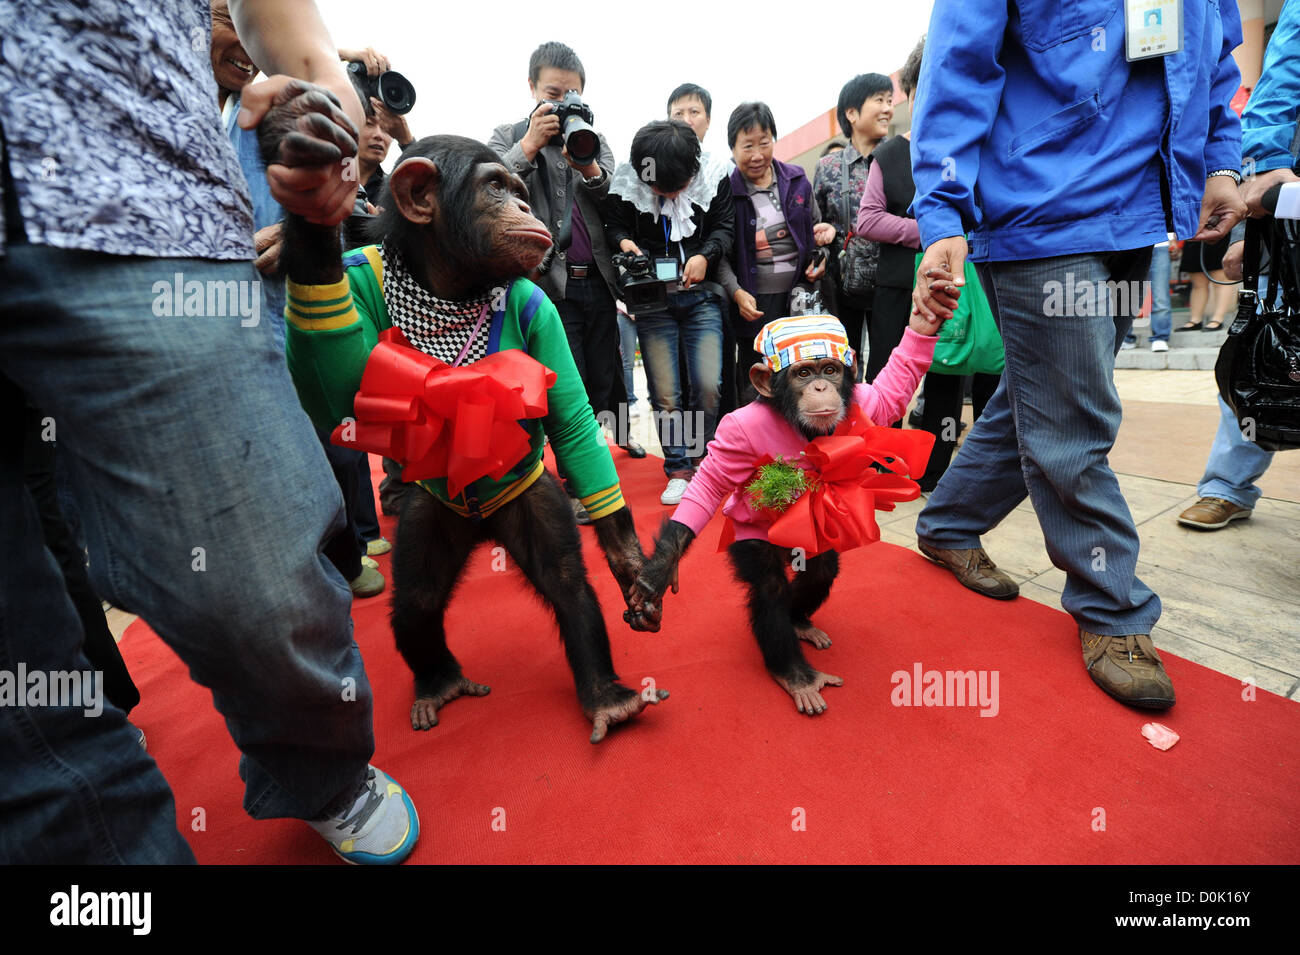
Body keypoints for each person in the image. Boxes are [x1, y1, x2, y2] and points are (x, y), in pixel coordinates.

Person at [0, 0, 417, 864]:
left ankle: (322, 772)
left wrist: (325, 126)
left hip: (140, 214)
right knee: (19, 723)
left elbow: (296, 40)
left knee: (260, 592)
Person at [909, 0, 1246, 710]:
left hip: (1142, 207)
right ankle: (1113, 608)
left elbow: (1214, 54)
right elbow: (958, 62)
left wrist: (1218, 160)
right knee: (1073, 423)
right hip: (1039, 207)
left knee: (1038, 400)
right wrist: (941, 210)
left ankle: (945, 524)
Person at [488, 42, 643, 524]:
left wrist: (590, 165)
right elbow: (488, 188)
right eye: (553, 93)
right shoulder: (507, 135)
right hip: (540, 286)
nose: (562, 102)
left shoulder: (592, 138)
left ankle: (597, 460)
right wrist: (530, 144)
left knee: (603, 374)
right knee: (561, 385)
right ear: (532, 89)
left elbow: (620, 201)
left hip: (596, 282)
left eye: (572, 93)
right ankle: (570, 484)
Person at [855, 37, 1000, 488]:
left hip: (959, 281)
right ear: (912, 95)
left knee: (952, 379)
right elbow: (869, 219)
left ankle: (937, 474)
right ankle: (880, 467)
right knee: (885, 377)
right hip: (899, 284)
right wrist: (935, 233)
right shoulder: (891, 154)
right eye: (925, 90)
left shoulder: (977, 147)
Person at [1177, 2, 1300, 531]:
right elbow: (1281, 83)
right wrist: (1266, 204)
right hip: (1293, 206)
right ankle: (1227, 483)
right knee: (1266, 335)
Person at [602, 119, 735, 505]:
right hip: (652, 302)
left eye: (671, 187)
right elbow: (613, 225)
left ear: (690, 172)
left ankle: (702, 463)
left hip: (702, 297)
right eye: (656, 187)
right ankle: (678, 469)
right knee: (666, 392)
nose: (661, 192)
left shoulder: (713, 174)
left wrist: (704, 256)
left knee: (708, 385)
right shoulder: (629, 180)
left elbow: (725, 227)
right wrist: (627, 242)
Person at [717, 102, 830, 398]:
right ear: (732, 148)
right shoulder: (727, 192)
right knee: (758, 381)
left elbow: (817, 232)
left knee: (799, 376)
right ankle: (758, 443)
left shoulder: (796, 179)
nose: (756, 155)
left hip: (798, 299)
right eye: (747, 146)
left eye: (764, 143)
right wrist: (737, 292)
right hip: (753, 303)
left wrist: (822, 258)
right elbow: (721, 255)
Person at [812, 72, 894, 377]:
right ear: (852, 112)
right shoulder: (827, 167)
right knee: (842, 366)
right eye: (879, 100)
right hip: (841, 287)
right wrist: (824, 242)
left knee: (886, 370)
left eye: (890, 100)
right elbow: (815, 226)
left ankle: (884, 425)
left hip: (889, 285)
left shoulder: (899, 156)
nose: (888, 108)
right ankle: (845, 425)